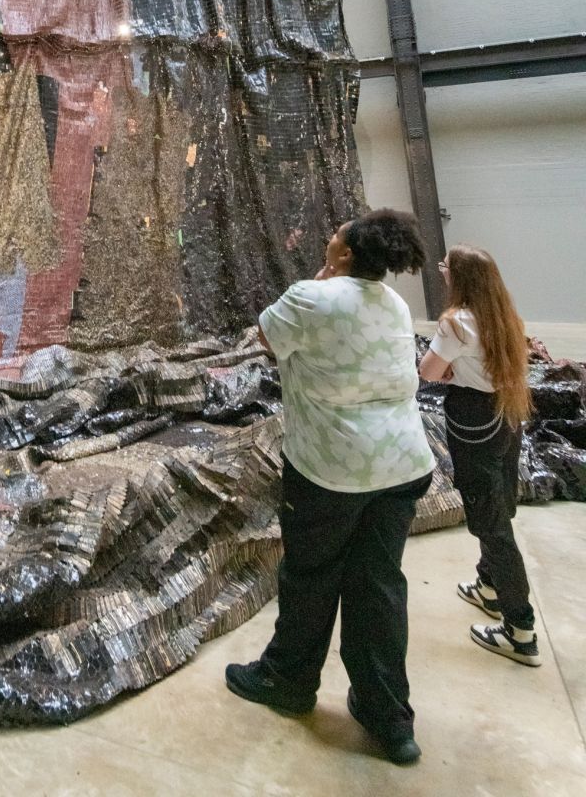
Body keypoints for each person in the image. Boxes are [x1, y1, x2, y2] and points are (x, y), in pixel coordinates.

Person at [226, 209, 435, 766]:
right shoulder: (394, 303)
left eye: (336, 235)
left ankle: (288, 680)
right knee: (379, 585)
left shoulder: (309, 298)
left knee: (311, 577)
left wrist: (317, 283)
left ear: (344, 253)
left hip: (332, 469)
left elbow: (267, 338)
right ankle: (388, 716)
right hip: (402, 465)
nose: (329, 235)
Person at [419, 245, 540, 667]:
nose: (442, 272)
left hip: (473, 420)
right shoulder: (504, 315)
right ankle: (489, 588)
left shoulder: (455, 322)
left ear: (459, 277)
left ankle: (520, 629)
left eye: (446, 267)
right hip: (506, 417)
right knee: (499, 505)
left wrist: (449, 369)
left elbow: (428, 371)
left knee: (491, 523)